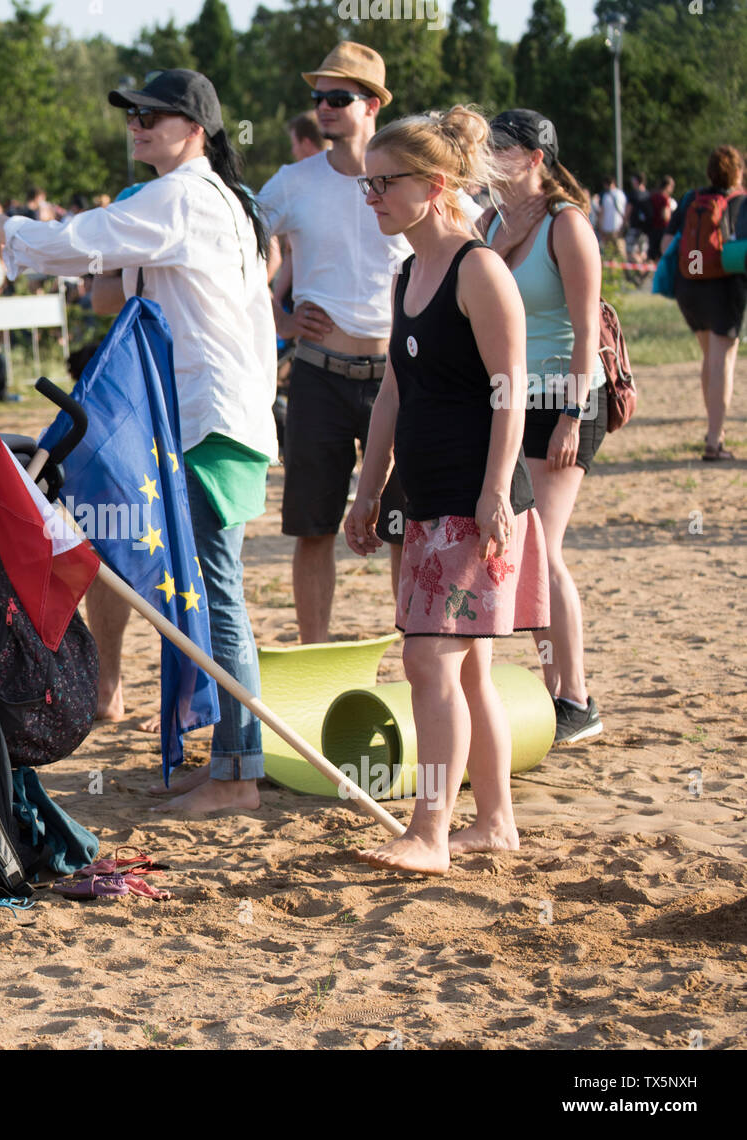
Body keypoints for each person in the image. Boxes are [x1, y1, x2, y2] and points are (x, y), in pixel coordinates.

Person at [0, 68, 277, 815]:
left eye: (155, 114)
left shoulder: (183, 195)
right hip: (218, 417)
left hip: (206, 422)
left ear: (197, 130)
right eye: (132, 113)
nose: (137, 123)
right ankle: (228, 760)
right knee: (212, 595)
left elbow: (70, 245)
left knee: (217, 599)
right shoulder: (210, 196)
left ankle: (240, 773)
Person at [345, 106, 549, 876]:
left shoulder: (479, 268)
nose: (372, 198)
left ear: (434, 185)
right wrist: (368, 491)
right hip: (424, 495)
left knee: (428, 662)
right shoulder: (407, 273)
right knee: (462, 669)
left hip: (477, 499)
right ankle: (494, 823)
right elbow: (394, 391)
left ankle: (431, 830)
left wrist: (497, 490)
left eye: (384, 183)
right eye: (367, 185)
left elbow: (511, 387)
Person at [256, 42, 411, 644]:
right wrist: (276, 316)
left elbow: (468, 243)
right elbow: (240, 252)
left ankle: (416, 655)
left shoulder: (406, 177)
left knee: (403, 526)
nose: (322, 106)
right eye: (317, 96)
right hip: (317, 376)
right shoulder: (294, 181)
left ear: (371, 105)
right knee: (312, 527)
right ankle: (314, 654)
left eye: (337, 97)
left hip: (398, 378)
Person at [480, 109, 606, 744]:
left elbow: (588, 332)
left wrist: (571, 417)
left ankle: (576, 699)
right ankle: (560, 691)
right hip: (512, 401)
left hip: (566, 399)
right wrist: (497, 244)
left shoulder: (568, 225)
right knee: (526, 551)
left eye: (498, 147)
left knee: (540, 550)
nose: (487, 155)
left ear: (534, 158)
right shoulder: (495, 220)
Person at [662, 145, 746, 461]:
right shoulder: (740, 201)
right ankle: (714, 439)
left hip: (690, 286)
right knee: (722, 360)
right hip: (724, 287)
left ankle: (714, 427)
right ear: (738, 171)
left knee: (709, 356)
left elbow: (667, 242)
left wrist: (695, 260)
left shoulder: (689, 198)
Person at [595, 175, 627, 257]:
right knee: (620, 252)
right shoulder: (621, 194)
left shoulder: (605, 196)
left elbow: (601, 212)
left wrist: (600, 226)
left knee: (609, 252)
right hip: (619, 227)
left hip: (607, 228)